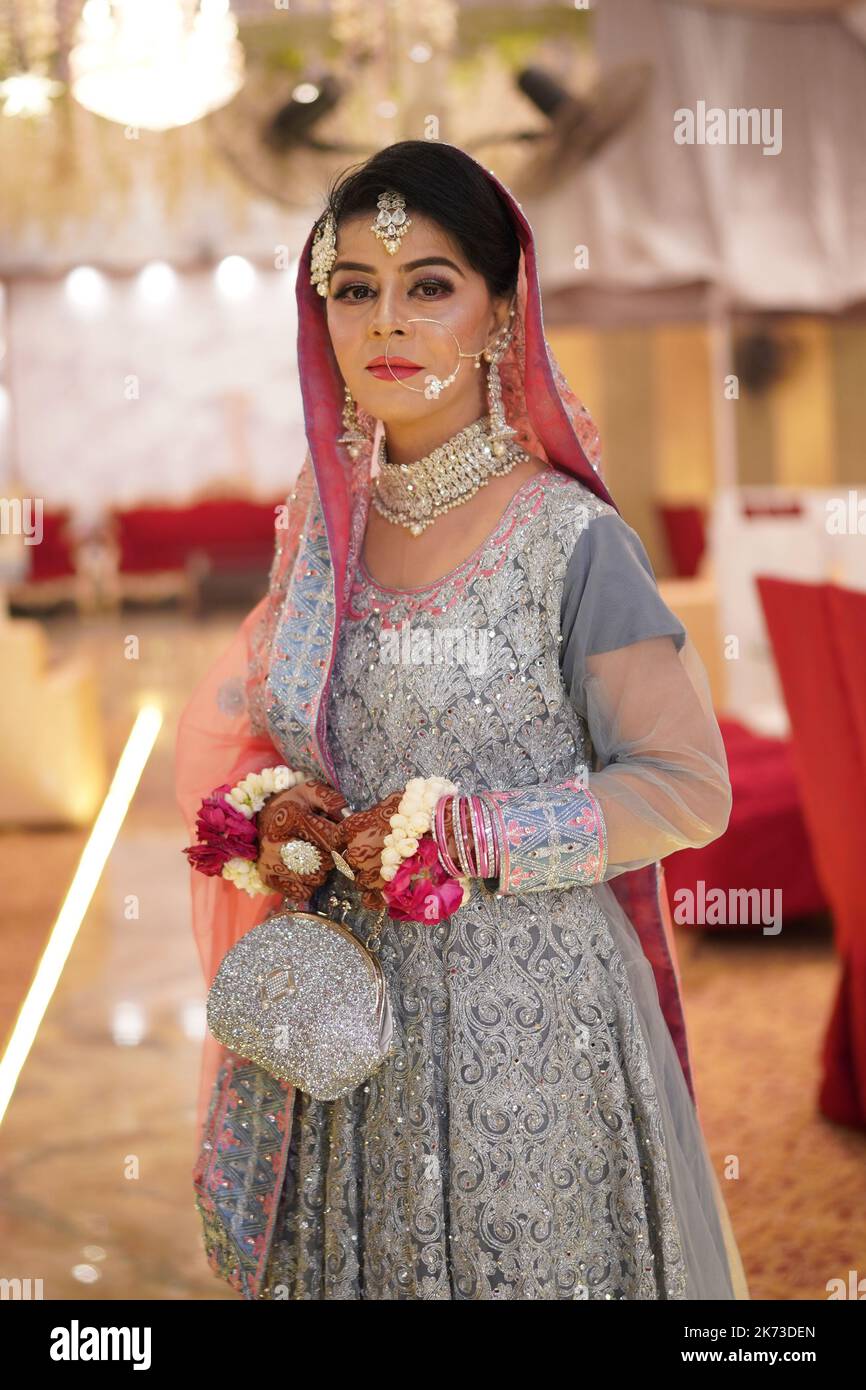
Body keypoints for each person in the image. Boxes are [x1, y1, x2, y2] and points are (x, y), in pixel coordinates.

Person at [175, 140, 750, 1300]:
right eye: (354, 289)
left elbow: (687, 783)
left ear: (498, 317)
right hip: (342, 1028)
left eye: (428, 285)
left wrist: (478, 838)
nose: (386, 320)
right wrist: (278, 810)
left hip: (527, 1025)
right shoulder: (317, 535)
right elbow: (267, 734)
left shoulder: (567, 539)